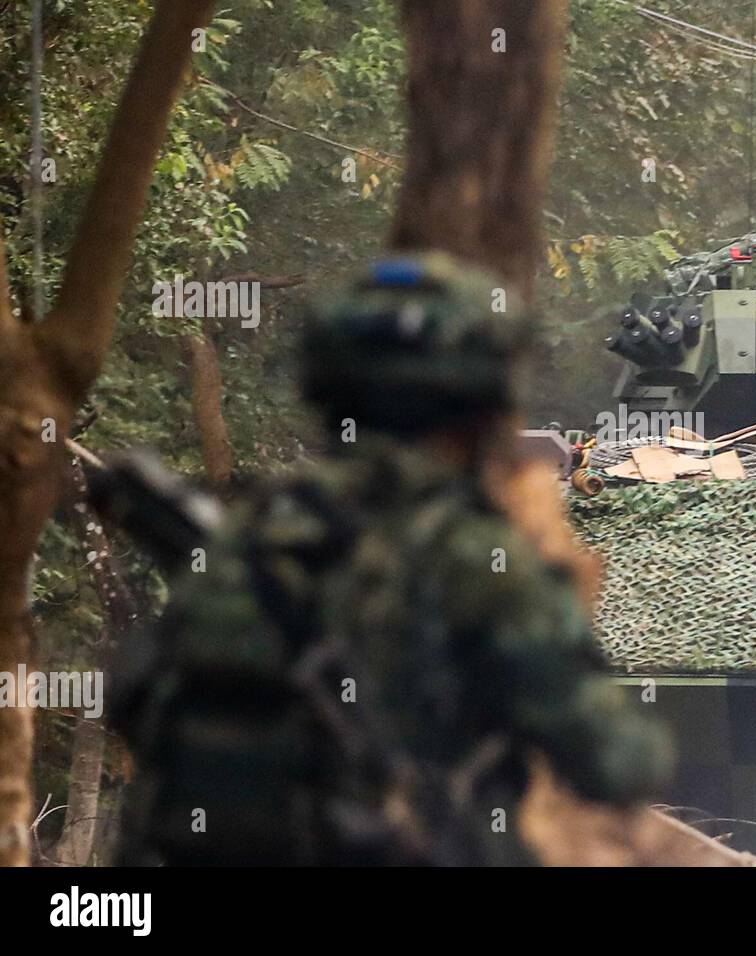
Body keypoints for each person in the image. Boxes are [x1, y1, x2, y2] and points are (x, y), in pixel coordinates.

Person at [110, 253, 673, 865]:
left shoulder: (249, 532)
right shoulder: (472, 551)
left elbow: (141, 698)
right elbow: (615, 761)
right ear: (483, 398)